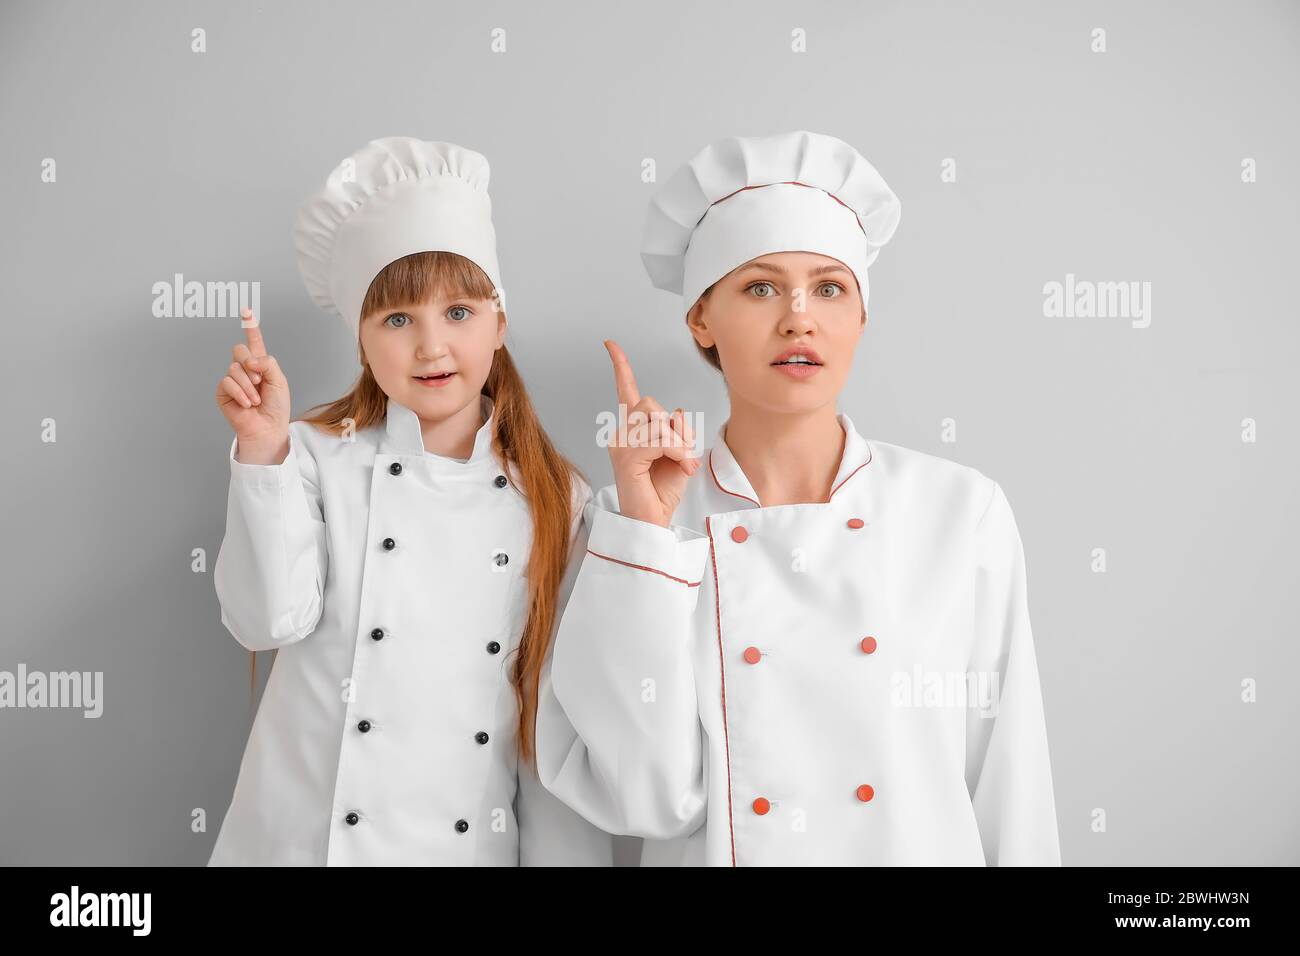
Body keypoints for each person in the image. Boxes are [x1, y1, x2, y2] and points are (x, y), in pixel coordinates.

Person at [536, 130, 1062, 866]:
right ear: (701, 319)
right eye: (759, 286)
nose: (798, 316)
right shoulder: (632, 529)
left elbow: (1011, 777)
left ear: (860, 317)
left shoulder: (957, 512)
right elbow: (644, 801)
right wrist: (644, 539)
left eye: (829, 287)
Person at [208, 136, 612, 866]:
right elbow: (264, 622)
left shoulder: (557, 497)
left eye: (459, 313)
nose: (431, 347)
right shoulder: (315, 458)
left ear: (500, 323)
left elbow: (550, 725)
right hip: (306, 846)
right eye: (397, 320)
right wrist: (264, 450)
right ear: (362, 342)